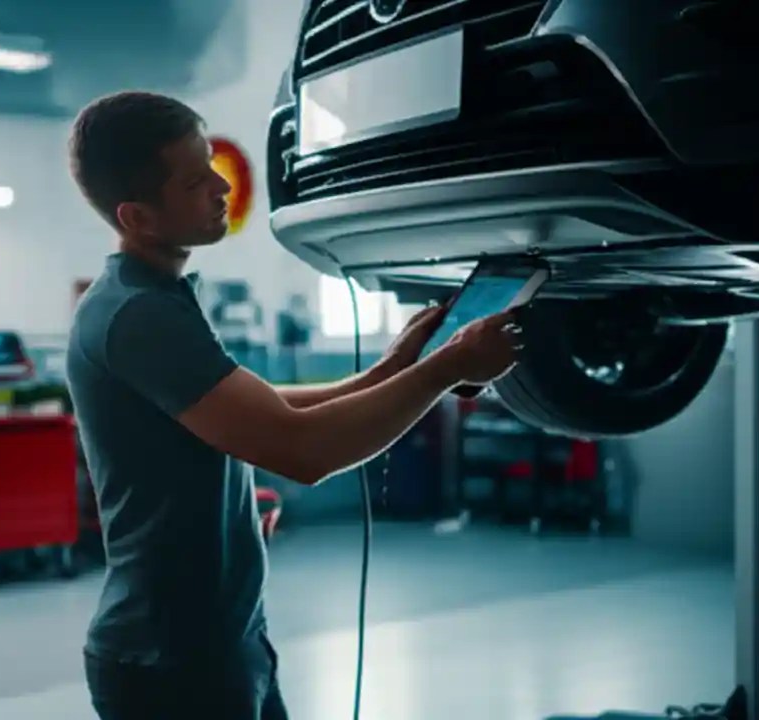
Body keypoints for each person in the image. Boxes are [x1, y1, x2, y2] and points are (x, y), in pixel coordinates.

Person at [65, 91, 522, 720]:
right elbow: (302, 451)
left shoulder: (151, 297)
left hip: (222, 642)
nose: (222, 188)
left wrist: (395, 369)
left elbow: (266, 408)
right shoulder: (140, 315)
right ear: (138, 216)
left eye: (214, 165)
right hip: (172, 666)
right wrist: (448, 368)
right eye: (197, 180)